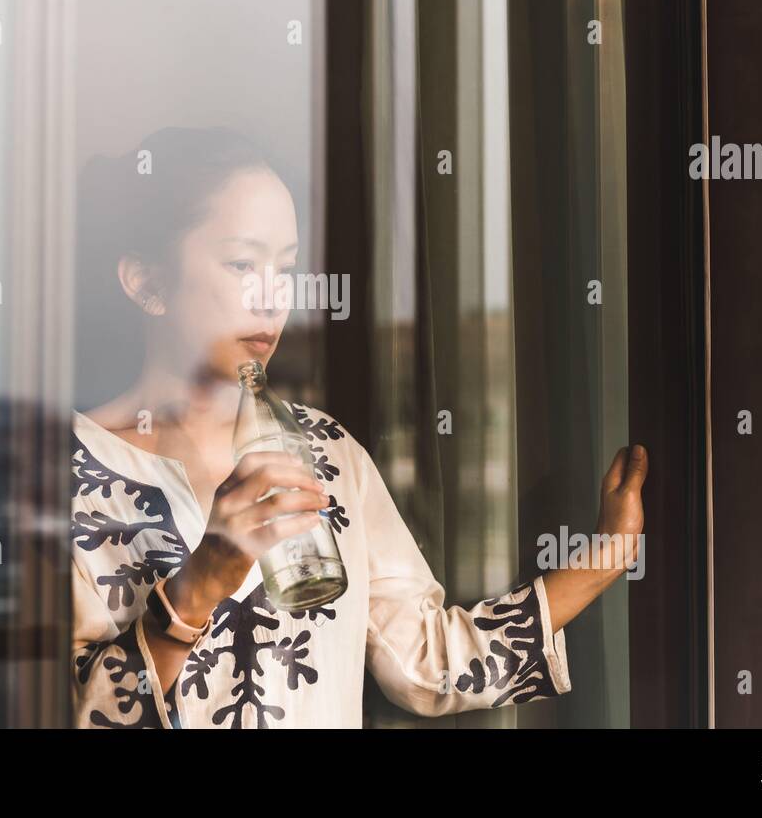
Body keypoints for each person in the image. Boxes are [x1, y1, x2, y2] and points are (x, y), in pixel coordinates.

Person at [71, 126, 646, 728]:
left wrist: (607, 555)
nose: (273, 297)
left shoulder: (327, 453)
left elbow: (425, 662)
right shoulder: (65, 475)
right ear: (146, 281)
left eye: (286, 267)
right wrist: (192, 594)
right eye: (242, 262)